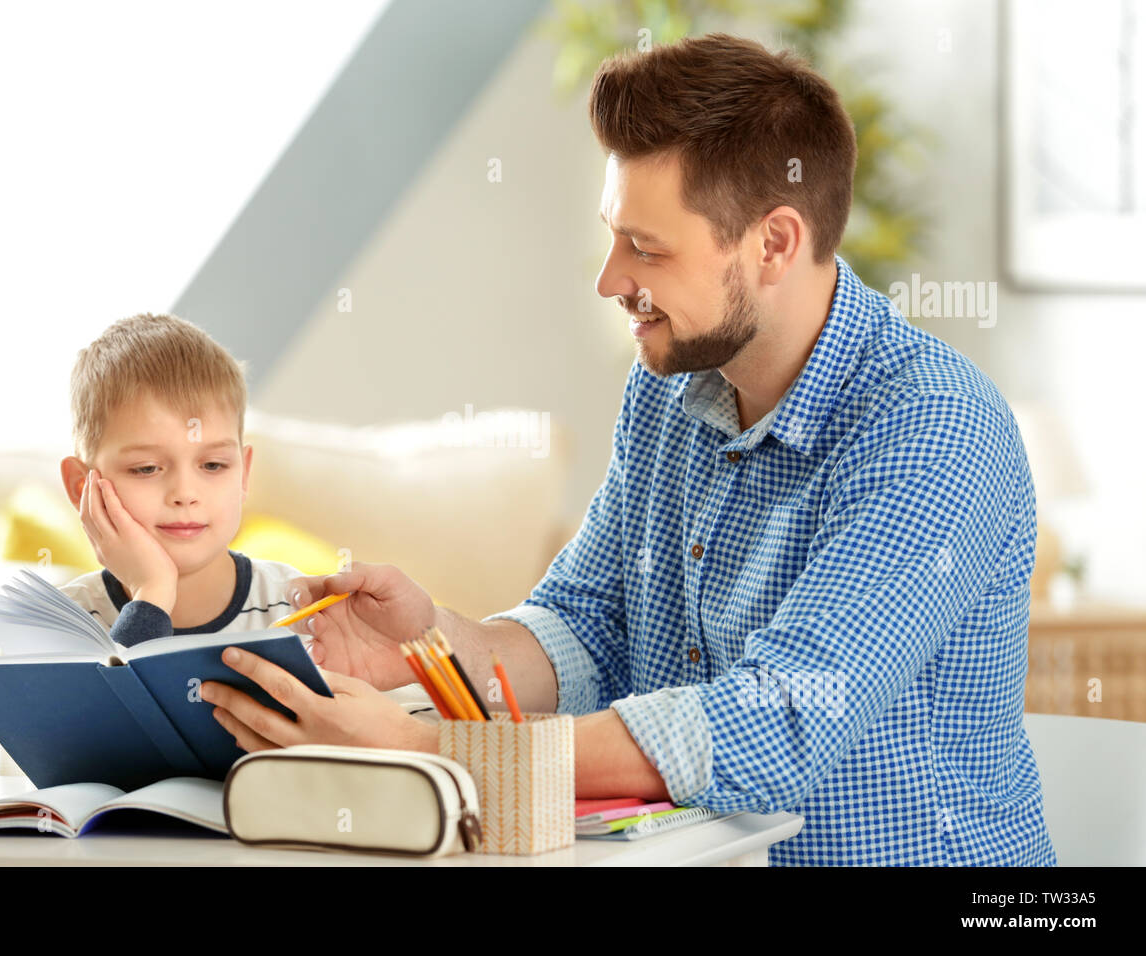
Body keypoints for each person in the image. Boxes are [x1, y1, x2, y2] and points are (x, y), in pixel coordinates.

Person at [200, 33, 1057, 865]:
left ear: (775, 243)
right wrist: (435, 644)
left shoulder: (933, 429)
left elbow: (780, 724)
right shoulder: (669, 382)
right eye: (615, 235)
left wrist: (431, 745)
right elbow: (590, 623)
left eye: (645, 248)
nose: (611, 281)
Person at [56, 312, 431, 707]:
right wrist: (152, 598)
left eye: (213, 465)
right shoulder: (62, 623)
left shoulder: (304, 614)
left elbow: (419, 728)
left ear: (244, 474)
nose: (185, 493)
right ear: (83, 487)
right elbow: (78, 743)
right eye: (146, 468)